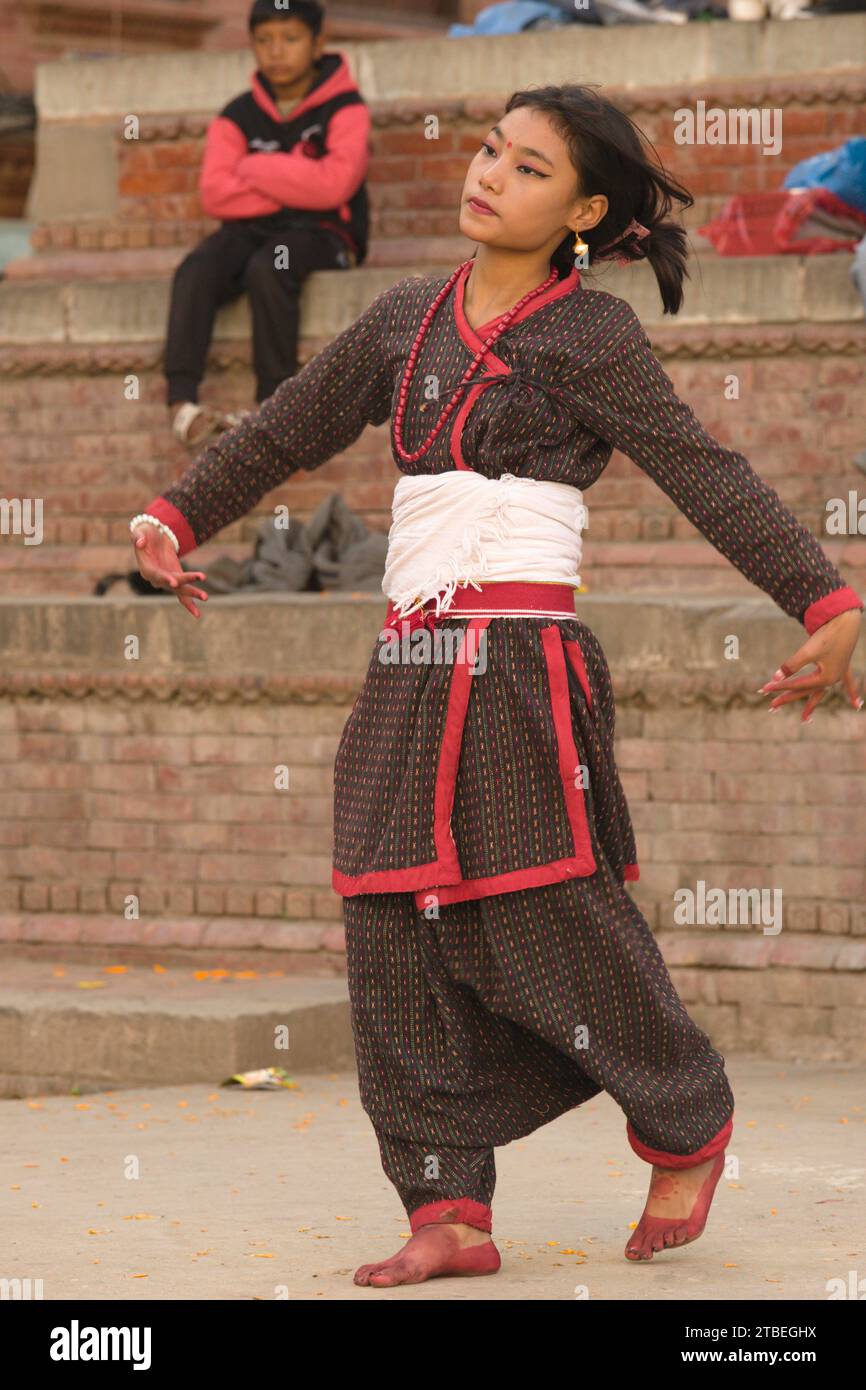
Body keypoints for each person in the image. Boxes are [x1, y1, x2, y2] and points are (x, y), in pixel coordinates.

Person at [129, 84, 864, 1286]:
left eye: (526, 168)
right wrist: (174, 512)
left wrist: (825, 601)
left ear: (580, 209)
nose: (487, 175)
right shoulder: (403, 318)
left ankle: (683, 1113)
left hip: (521, 666)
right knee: (386, 919)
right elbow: (283, 430)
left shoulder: (593, 335)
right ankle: (448, 1206)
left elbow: (703, 467)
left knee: (537, 901)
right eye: (487, 151)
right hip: (406, 664)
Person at [163, 0, 370, 448]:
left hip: (324, 232)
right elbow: (216, 192)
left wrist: (256, 168)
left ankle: (272, 403)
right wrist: (297, 176)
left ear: (318, 43)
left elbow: (334, 187)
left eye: (290, 39)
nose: (276, 52)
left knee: (270, 267)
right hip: (252, 228)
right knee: (197, 268)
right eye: (264, 41)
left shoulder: (345, 107)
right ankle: (182, 404)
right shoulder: (236, 114)